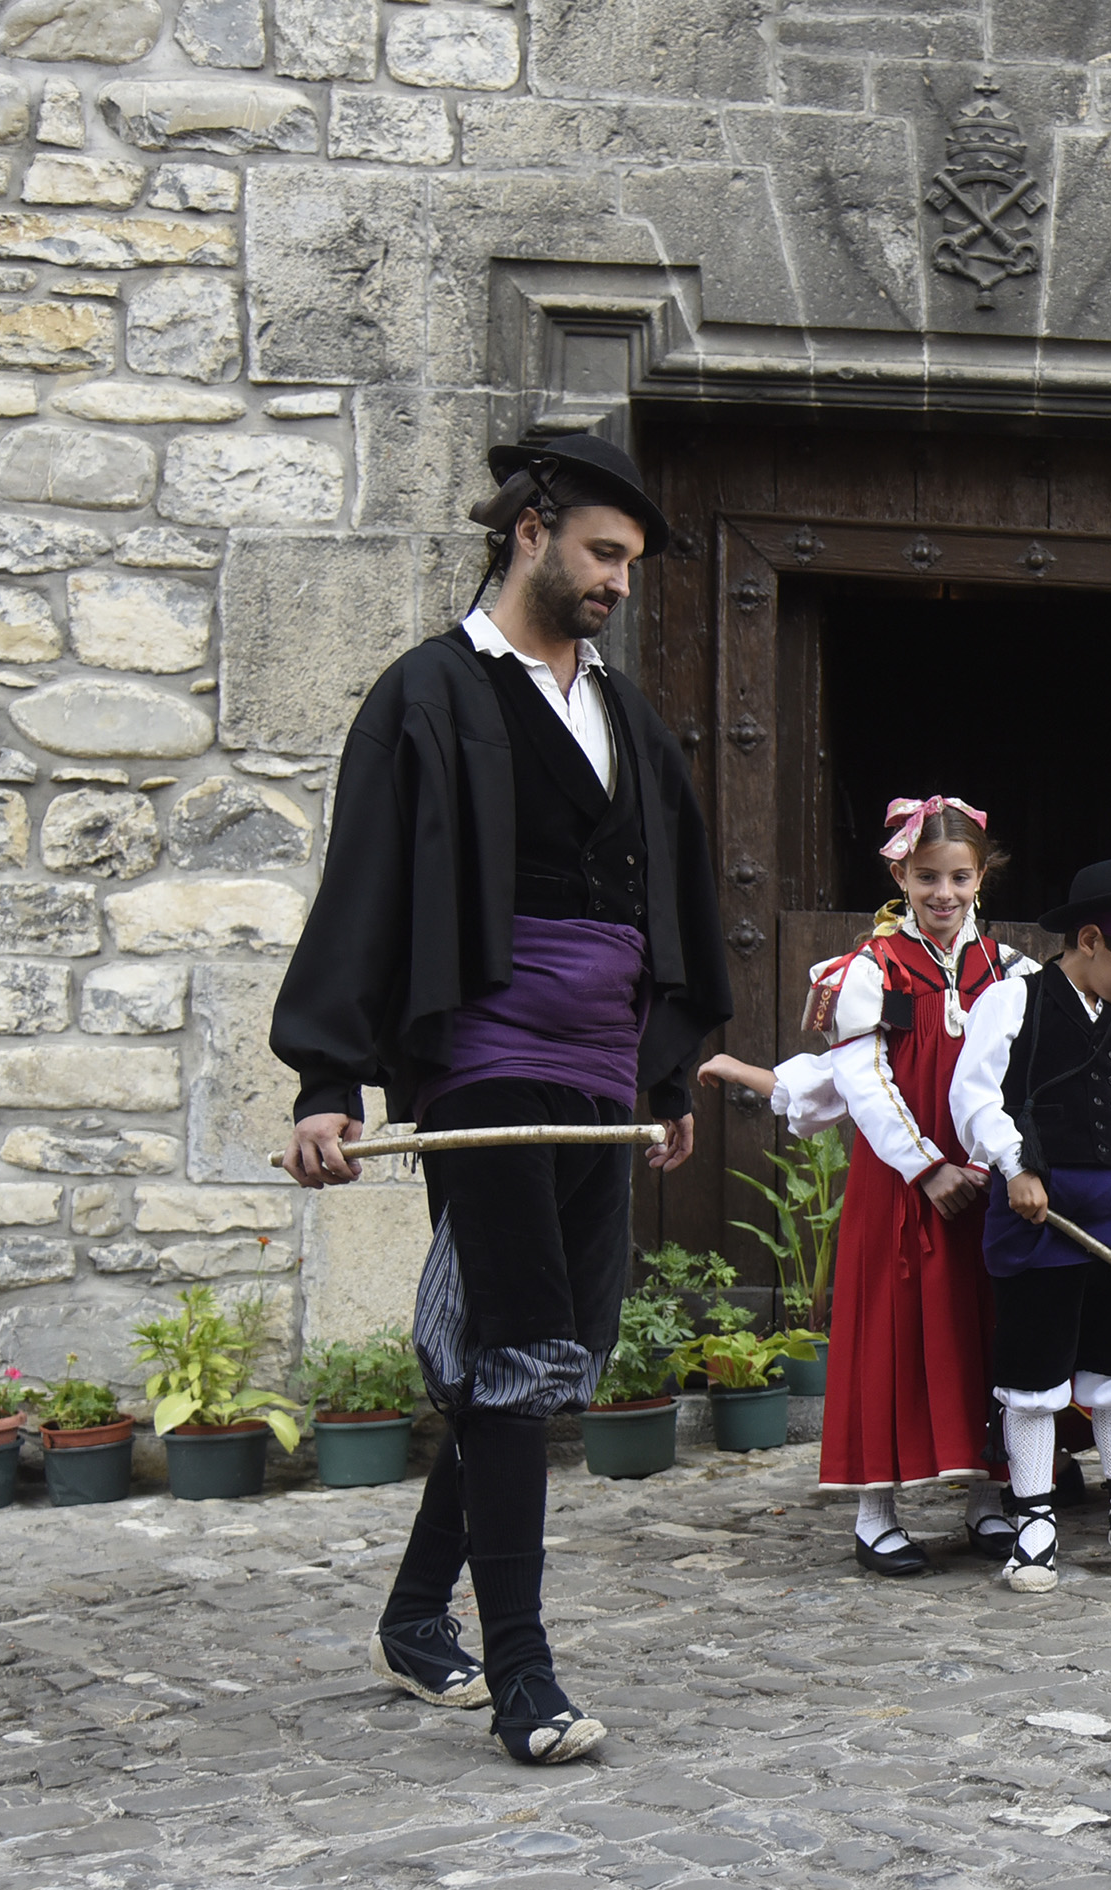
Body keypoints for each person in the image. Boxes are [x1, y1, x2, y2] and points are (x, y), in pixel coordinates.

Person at [273, 433, 730, 1764]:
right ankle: (524, 1672)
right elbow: (361, 879)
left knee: (550, 1354)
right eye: (603, 553)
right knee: (521, 1334)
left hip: (599, 1069)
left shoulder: (622, 714)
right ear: (528, 528)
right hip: (485, 1053)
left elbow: (668, 899)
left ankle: (420, 1611)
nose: (619, 584)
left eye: (631, 564)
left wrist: (662, 1071)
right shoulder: (426, 695)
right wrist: (325, 1075)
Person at [697, 796, 1030, 1572]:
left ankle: (987, 1500)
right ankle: (874, 1512)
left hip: (983, 1173)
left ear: (982, 878)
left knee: (985, 1330)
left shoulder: (1012, 971)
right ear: (899, 875)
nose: (942, 894)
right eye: (925, 878)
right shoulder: (867, 970)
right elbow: (864, 1080)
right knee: (889, 1332)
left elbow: (1017, 1076)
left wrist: (986, 1162)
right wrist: (927, 1166)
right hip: (902, 1180)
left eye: (957, 877)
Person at [952, 856, 1111, 1594]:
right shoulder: (1012, 1002)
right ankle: (1033, 1521)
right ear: (1089, 939)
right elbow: (974, 1096)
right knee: (1033, 1381)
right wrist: (1013, 1165)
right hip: (1036, 1230)